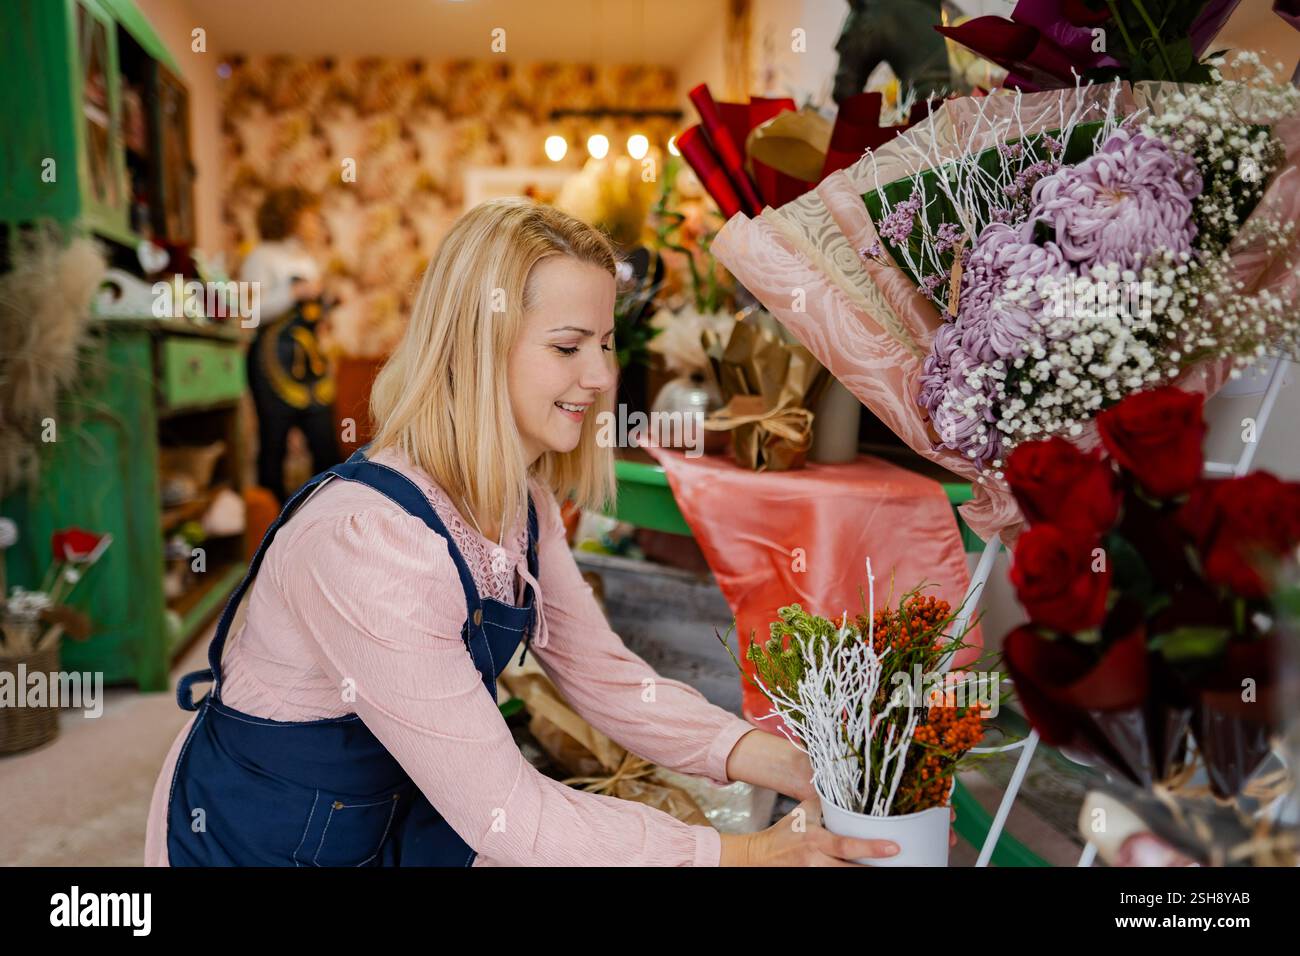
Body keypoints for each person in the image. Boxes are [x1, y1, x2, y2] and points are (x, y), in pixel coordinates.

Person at [144, 198, 904, 866]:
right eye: (568, 346)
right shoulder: (367, 545)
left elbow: (607, 678)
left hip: (392, 808)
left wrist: (783, 762)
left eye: (606, 344)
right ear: (476, 348)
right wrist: (741, 855)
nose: (602, 376)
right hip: (262, 841)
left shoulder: (524, 504)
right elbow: (511, 812)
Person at [240, 186, 338, 503]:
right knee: (274, 443)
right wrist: (295, 294)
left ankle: (328, 511)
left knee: (325, 444)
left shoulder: (306, 259)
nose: (316, 222)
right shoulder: (260, 256)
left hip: (307, 364)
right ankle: (271, 523)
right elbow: (250, 312)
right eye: (310, 215)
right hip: (271, 364)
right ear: (290, 216)